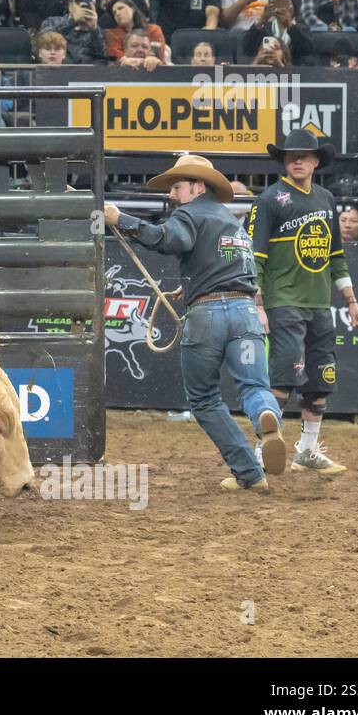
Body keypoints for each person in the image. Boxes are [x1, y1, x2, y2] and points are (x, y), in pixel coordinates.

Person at [105, 154, 286, 491]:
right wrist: (189, 285)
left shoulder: (188, 214)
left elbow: (171, 240)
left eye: (177, 186)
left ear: (198, 187)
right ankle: (267, 417)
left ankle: (249, 472)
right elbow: (227, 267)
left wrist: (121, 219)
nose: (172, 194)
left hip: (207, 316)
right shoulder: (231, 221)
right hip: (245, 312)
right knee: (255, 387)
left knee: (203, 399)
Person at [249, 129, 358, 476]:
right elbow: (255, 257)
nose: (296, 160)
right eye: (290, 155)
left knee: (320, 380)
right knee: (283, 378)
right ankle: (260, 451)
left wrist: (351, 301)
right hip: (283, 302)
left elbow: (335, 256)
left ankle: (308, 449)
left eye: (303, 155)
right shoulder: (269, 200)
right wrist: (257, 303)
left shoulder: (326, 199)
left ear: (316, 161)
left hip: (319, 304)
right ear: (284, 161)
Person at [39, 0, 106, 65]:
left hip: (85, 73)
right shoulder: (53, 21)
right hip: (57, 70)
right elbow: (43, 40)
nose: (83, 8)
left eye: (88, 5)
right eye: (79, 3)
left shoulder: (98, 31)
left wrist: (94, 29)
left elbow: (100, 57)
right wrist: (73, 22)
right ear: (70, 6)